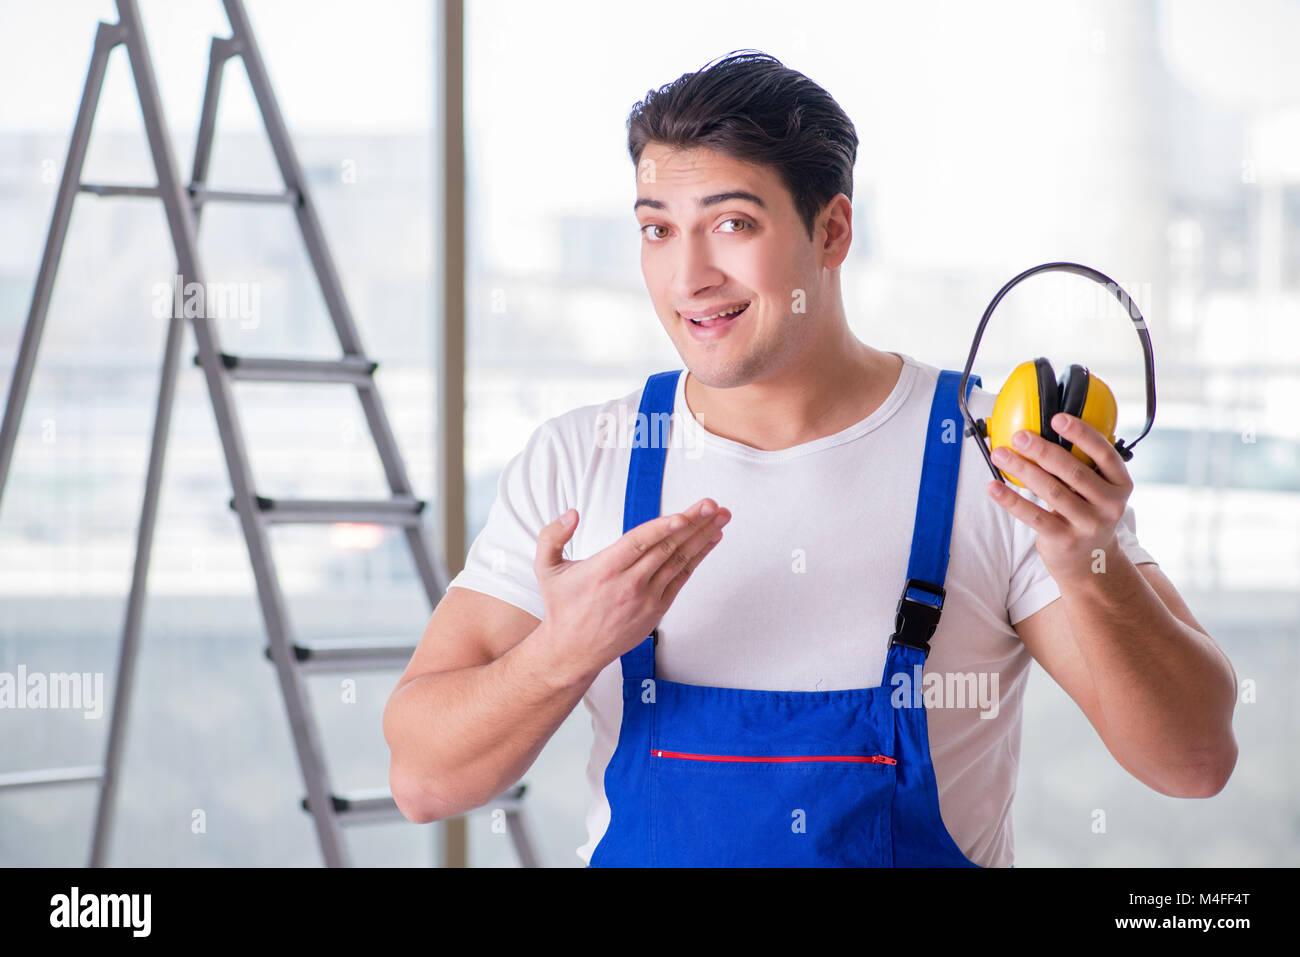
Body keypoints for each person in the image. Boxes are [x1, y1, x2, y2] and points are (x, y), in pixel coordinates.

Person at [383, 50, 1238, 867]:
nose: (689, 276)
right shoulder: (579, 460)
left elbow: (1192, 760)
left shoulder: (997, 461)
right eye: (657, 230)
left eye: (732, 224)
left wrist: (1088, 566)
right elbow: (423, 780)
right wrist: (563, 650)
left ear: (831, 231)